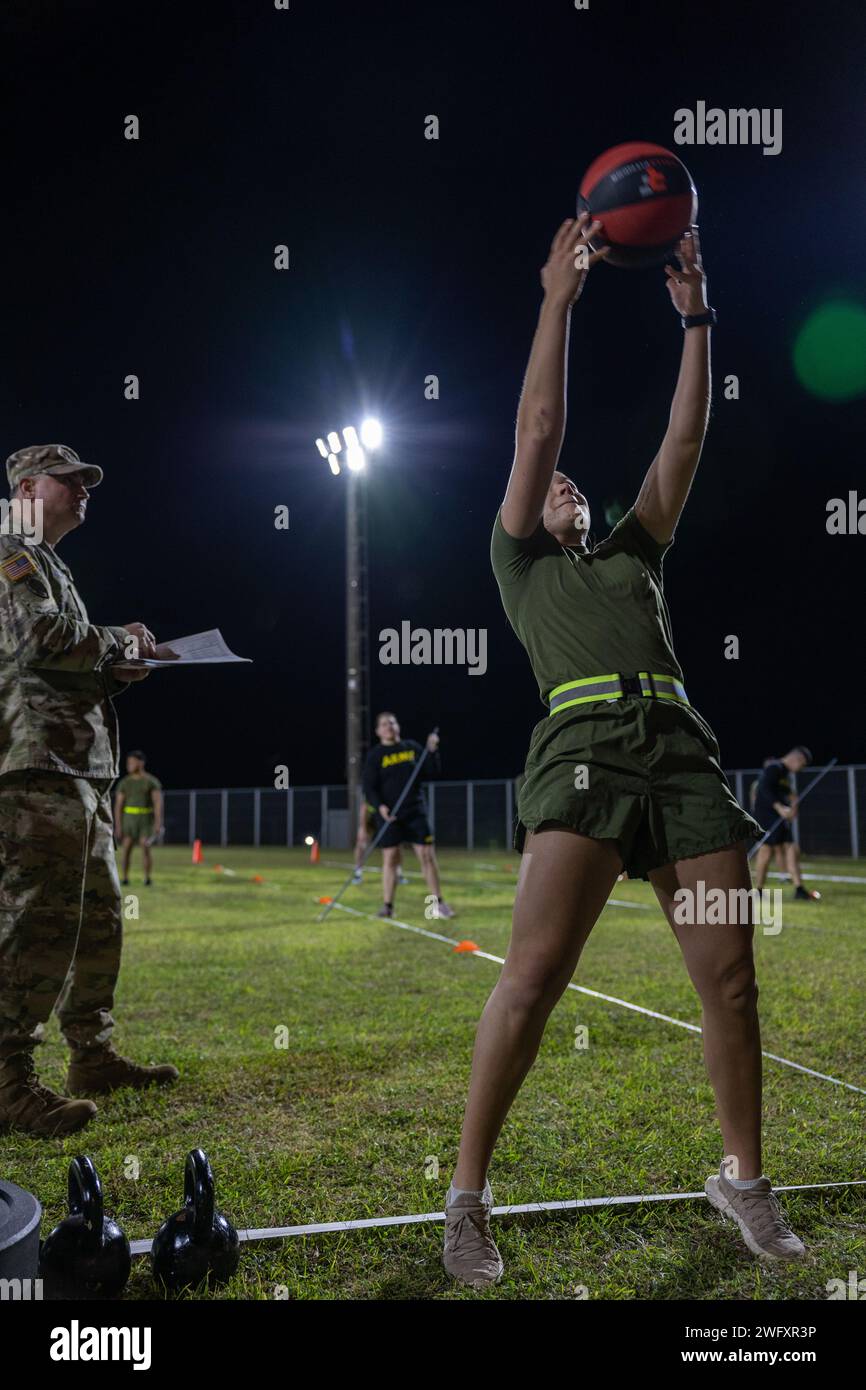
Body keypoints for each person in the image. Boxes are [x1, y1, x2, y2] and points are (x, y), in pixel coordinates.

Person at [443, 216, 805, 1288]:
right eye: (548, 486)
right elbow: (538, 427)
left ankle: (739, 1175)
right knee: (535, 977)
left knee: (729, 982)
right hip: (586, 757)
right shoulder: (520, 565)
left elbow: (683, 443)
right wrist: (558, 297)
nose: (561, 484)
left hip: (680, 760)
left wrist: (696, 314)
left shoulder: (631, 553)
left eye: (570, 486)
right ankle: (465, 1195)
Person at [0, 444, 179, 1139]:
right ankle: (9, 1078)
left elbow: (54, 660)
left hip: (76, 770)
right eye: (70, 481)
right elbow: (41, 636)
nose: (84, 491)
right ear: (26, 486)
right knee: (37, 923)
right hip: (36, 767)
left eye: (86, 483)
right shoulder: (11, 543)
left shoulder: (48, 560)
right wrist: (118, 641)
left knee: (99, 918)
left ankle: (92, 1055)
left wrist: (116, 669)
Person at [361, 712, 455, 919]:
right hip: (389, 816)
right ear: (378, 731)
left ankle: (438, 904)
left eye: (392, 722)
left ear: (398, 726)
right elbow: (368, 787)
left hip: (415, 812)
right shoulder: (376, 755)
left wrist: (432, 751)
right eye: (384, 724)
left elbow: (431, 771)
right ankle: (387, 907)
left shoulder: (411, 748)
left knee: (427, 856)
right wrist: (380, 807)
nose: (389, 726)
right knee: (391, 858)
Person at [751, 747, 819, 900]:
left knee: (791, 848)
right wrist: (780, 807)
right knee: (766, 851)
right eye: (802, 766)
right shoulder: (774, 768)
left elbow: (789, 792)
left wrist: (793, 806)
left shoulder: (784, 773)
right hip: (767, 817)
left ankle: (799, 889)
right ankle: (759, 890)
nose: (800, 769)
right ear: (798, 760)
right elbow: (764, 789)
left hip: (779, 817)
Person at [115, 750, 163, 886]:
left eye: (132, 762)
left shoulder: (151, 781)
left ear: (141, 763)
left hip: (146, 819)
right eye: (128, 762)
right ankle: (124, 878)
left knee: (145, 847)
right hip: (129, 820)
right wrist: (118, 826)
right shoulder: (124, 783)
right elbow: (118, 806)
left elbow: (158, 803)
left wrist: (158, 822)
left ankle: (147, 878)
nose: (129, 765)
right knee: (126, 849)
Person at [351, 797, 408, 887]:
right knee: (360, 844)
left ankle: (399, 874)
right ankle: (358, 874)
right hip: (371, 819)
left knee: (397, 845)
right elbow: (364, 811)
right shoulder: (372, 794)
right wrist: (363, 829)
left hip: (386, 817)